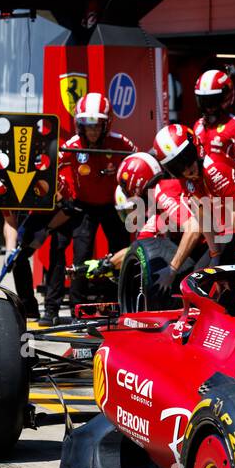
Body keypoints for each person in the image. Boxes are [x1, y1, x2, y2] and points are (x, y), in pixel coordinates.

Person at [47, 93, 136, 324]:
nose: (92, 131)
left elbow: (139, 162)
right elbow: (51, 168)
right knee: (81, 256)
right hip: (83, 207)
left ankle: (118, 303)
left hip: (113, 207)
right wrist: (59, 193)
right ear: (80, 125)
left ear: (106, 124)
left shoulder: (121, 143)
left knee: (122, 253)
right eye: (87, 126)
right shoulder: (72, 146)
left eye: (97, 126)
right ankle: (77, 307)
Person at [154, 124, 235, 268]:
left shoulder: (213, 168)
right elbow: (201, 215)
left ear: (196, 147)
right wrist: (215, 254)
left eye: (186, 158)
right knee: (199, 274)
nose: (186, 169)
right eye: (177, 167)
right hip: (229, 231)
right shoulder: (185, 180)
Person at [191, 68, 235, 220]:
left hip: (230, 199)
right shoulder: (197, 126)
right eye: (204, 101)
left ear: (225, 97)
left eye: (212, 101)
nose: (208, 106)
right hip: (202, 196)